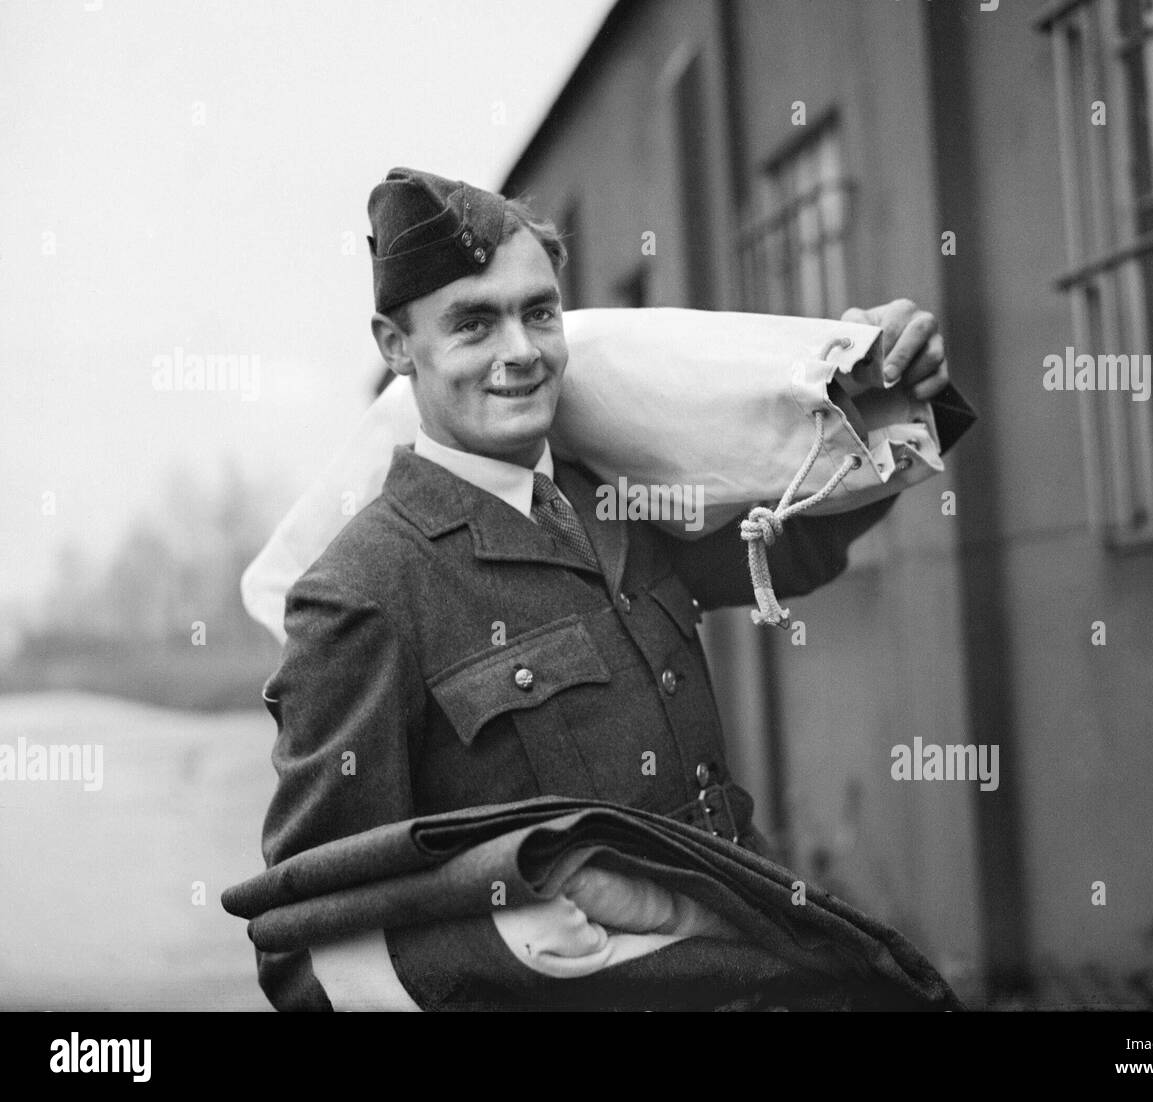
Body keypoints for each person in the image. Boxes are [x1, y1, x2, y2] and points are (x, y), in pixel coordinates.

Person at [256, 166, 952, 1011]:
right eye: (473, 323)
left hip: (768, 964)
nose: (520, 352)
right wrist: (508, 944)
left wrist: (894, 391)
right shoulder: (361, 592)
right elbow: (312, 951)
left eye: (538, 313)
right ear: (397, 346)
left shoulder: (617, 491)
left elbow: (792, 547)